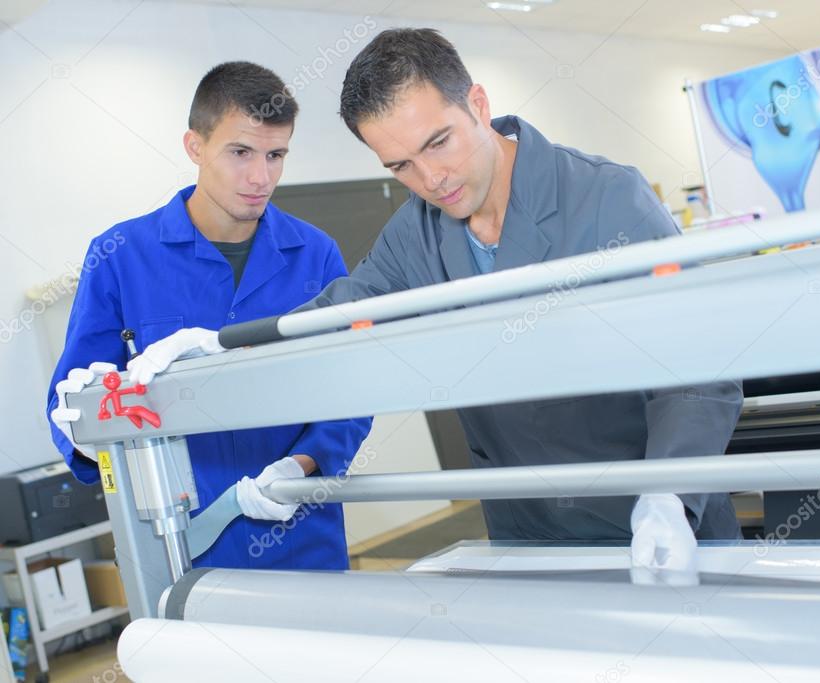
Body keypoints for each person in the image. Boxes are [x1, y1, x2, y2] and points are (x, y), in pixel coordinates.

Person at [131, 31, 744, 580]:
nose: (432, 179)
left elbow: (698, 368)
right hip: (525, 525)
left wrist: (667, 494)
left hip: (655, 513)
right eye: (400, 165)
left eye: (439, 143)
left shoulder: (607, 199)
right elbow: (340, 312)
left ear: (477, 104)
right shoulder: (416, 231)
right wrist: (222, 344)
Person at [47, 61, 372, 570]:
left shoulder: (316, 254)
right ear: (195, 147)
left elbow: (350, 392)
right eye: (240, 152)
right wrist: (88, 438)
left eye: (276, 155)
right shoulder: (119, 256)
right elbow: (70, 402)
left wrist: (300, 467)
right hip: (177, 549)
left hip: (302, 537)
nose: (260, 177)